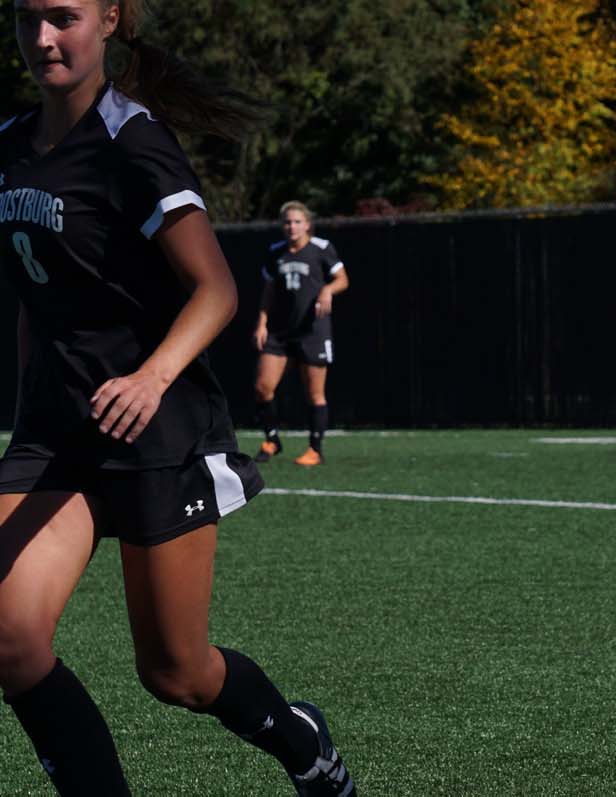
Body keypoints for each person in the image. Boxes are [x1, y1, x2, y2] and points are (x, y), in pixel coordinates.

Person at [0, 1, 354, 794]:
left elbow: (216, 288)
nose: (44, 38)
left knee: (176, 671)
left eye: (64, 17)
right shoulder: (10, 147)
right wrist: (31, 410)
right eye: (27, 19)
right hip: (56, 433)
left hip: (156, 435)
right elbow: (35, 295)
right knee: (9, 640)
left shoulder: (134, 141)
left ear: (111, 20)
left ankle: (304, 744)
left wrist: (151, 376)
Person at [251, 200, 348, 467]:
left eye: (296, 221)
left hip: (312, 331)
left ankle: (315, 450)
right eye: (287, 222)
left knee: (314, 393)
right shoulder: (276, 252)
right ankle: (272, 439)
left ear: (307, 224)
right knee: (263, 387)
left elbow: (343, 279)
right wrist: (262, 323)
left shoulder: (321, 249)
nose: (291, 226)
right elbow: (268, 292)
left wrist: (327, 290)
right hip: (280, 332)